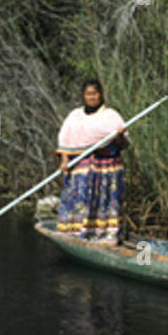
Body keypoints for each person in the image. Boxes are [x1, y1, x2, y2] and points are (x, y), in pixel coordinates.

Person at [56, 79, 128, 242]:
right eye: (88, 94)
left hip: (106, 167)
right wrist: (65, 160)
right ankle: (76, 233)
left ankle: (105, 234)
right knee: (80, 202)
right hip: (80, 169)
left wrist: (119, 136)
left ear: (100, 95)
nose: (92, 97)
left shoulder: (111, 115)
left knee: (105, 201)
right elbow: (64, 140)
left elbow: (122, 144)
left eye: (95, 94)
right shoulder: (75, 116)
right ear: (83, 96)